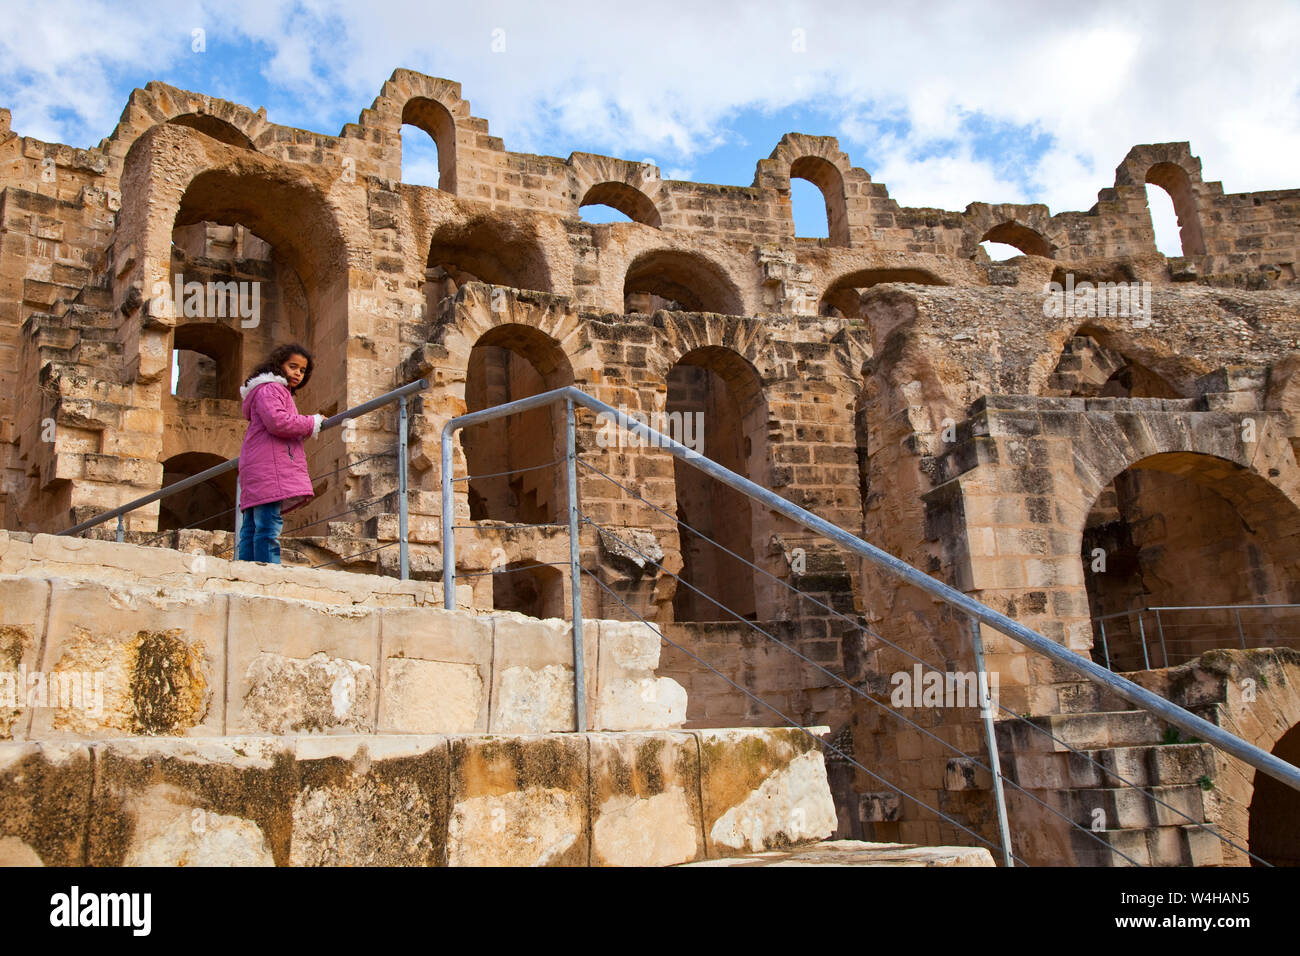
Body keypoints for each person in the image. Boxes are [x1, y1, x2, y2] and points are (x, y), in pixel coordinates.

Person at [236, 343, 326, 563]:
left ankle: (247, 571)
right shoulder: (272, 389)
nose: (298, 373)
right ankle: (268, 573)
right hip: (269, 467)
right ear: (279, 365)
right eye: (293, 366)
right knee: (268, 525)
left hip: (259, 464)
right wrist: (312, 422)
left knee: (252, 525)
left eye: (303, 370)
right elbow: (278, 422)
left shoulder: (267, 390)